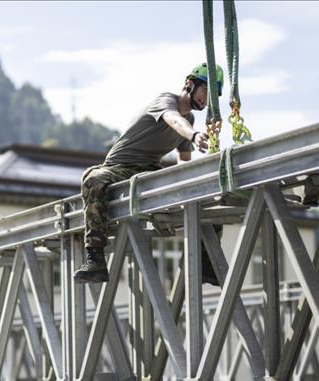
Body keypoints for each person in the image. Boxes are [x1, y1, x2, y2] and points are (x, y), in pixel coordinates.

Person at [73, 63, 223, 284]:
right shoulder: (167, 101)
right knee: (93, 179)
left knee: (203, 191)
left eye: (213, 96)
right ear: (191, 84)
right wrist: (193, 135)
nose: (207, 99)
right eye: (206, 91)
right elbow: (173, 119)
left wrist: (195, 185)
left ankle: (205, 260)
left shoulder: (189, 121)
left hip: (148, 172)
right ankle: (94, 258)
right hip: (120, 167)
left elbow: (184, 164)